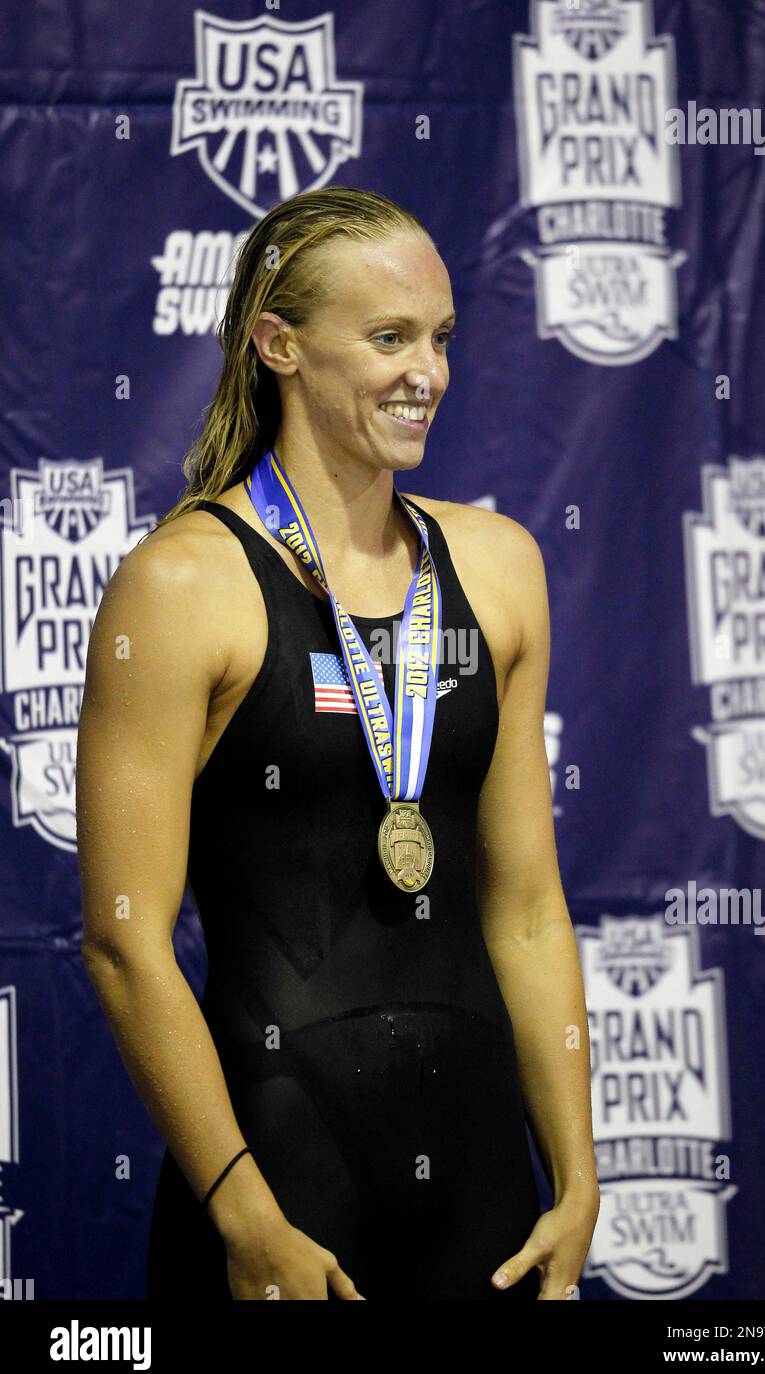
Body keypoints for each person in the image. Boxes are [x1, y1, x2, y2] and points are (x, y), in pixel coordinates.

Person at [76, 186, 600, 1301]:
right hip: (281, 1179)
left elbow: (525, 905)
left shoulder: (499, 566)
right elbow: (125, 945)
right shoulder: (180, 585)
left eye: (441, 337)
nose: (429, 372)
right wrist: (243, 1212)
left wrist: (578, 1176)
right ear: (278, 345)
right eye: (388, 337)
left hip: (480, 1191)